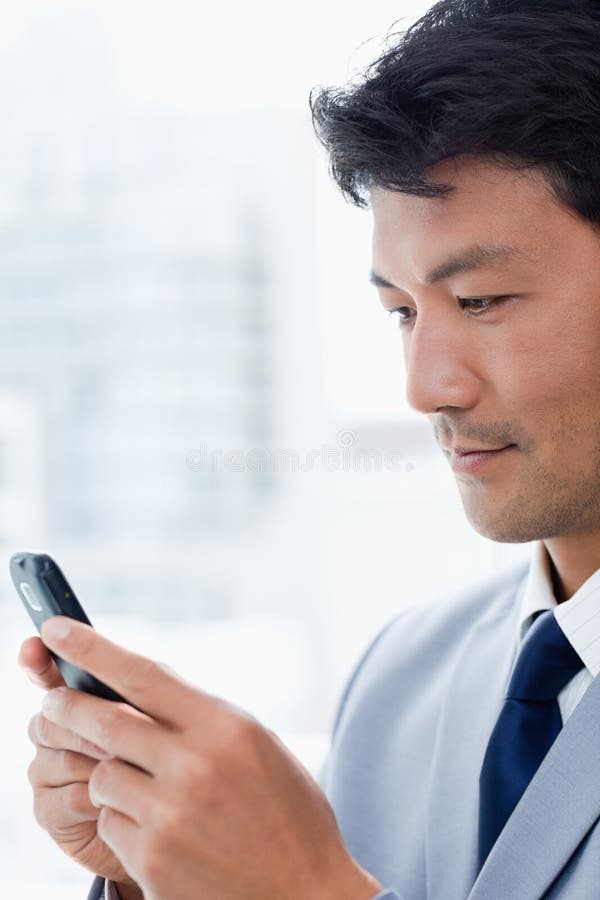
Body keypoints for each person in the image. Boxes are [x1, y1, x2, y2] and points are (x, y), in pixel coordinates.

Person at [17, 0, 600, 896]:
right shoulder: (401, 681)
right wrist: (159, 871)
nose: (425, 386)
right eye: (401, 313)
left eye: (481, 301)